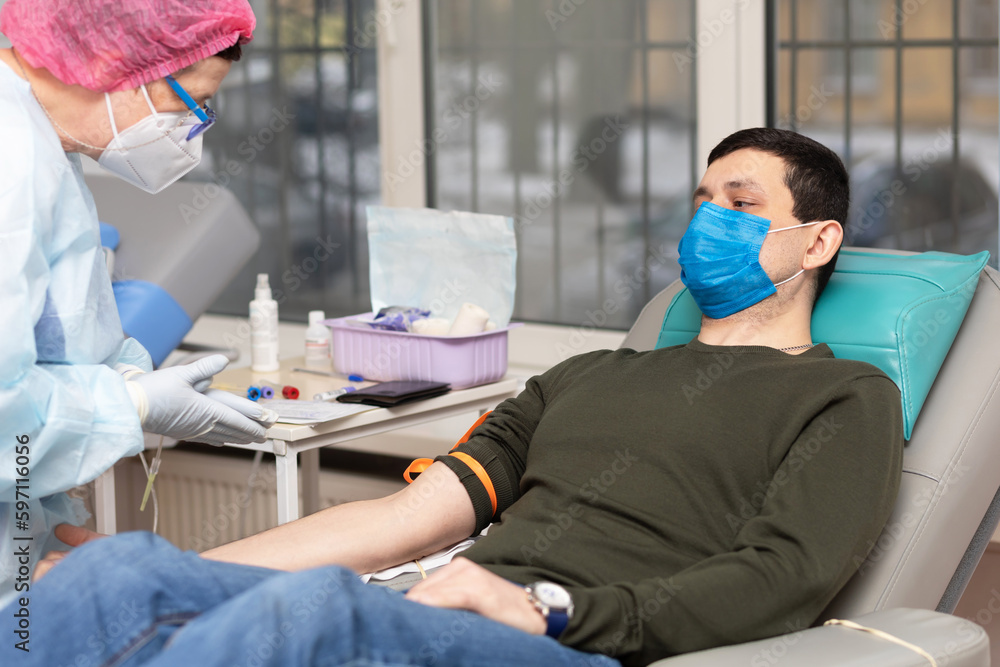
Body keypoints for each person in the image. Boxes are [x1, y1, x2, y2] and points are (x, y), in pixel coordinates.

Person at [4, 128, 905, 667]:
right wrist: (189, 574)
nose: (707, 220)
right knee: (116, 572)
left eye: (739, 204)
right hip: (438, 608)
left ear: (817, 238)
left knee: (311, 610)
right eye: (702, 199)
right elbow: (406, 521)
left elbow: (784, 580)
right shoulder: (585, 377)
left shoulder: (843, 395)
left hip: (568, 641)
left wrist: (555, 606)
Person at [0, 0, 275, 609]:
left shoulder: (45, 146)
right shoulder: (9, 159)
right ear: (109, 57)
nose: (192, 128)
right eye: (188, 104)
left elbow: (50, 341)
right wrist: (134, 402)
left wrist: (129, 377)